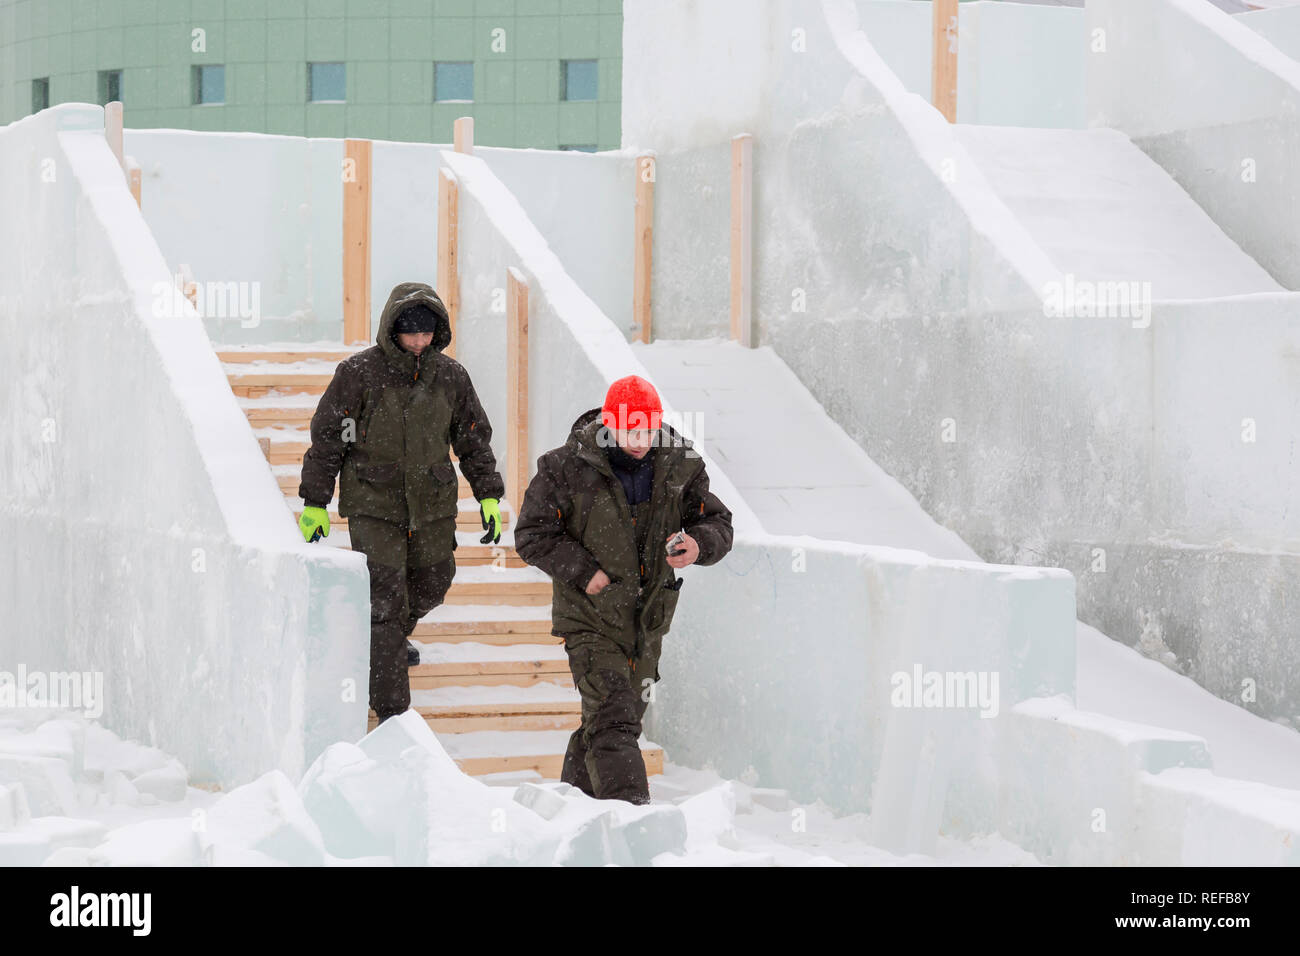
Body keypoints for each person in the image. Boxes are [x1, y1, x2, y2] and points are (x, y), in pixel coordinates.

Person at [513, 375, 734, 804]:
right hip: (590, 616)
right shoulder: (564, 467)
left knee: (614, 720)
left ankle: (572, 809)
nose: (639, 440)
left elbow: (717, 522)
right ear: (608, 424)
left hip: (648, 618)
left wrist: (698, 543)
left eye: (648, 430)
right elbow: (532, 534)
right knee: (613, 717)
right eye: (629, 430)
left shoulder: (680, 463)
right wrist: (583, 571)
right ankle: (634, 819)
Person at [297, 281, 505, 725]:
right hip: (374, 501)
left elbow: (473, 440)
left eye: (427, 333)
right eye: (410, 333)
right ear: (392, 330)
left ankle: (383, 643)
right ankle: (395, 716)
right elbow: (329, 439)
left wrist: (489, 494)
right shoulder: (358, 374)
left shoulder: (451, 377)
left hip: (431, 502)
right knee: (385, 601)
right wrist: (316, 500)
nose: (418, 341)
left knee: (436, 579)